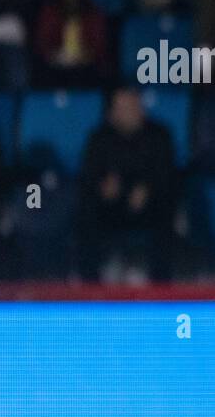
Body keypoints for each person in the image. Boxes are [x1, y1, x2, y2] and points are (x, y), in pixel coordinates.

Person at [76, 86, 177, 281]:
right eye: (124, 108)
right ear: (112, 113)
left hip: (149, 206)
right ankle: (90, 289)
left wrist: (148, 189)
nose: (132, 111)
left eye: (134, 105)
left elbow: (168, 175)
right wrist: (103, 189)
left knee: (165, 215)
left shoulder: (159, 135)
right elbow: (89, 177)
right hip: (110, 207)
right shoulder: (99, 139)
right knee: (86, 216)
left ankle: (160, 290)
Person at [33, 0, 110, 89]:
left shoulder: (93, 11)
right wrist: (56, 56)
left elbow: (99, 45)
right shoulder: (49, 11)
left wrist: (84, 56)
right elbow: (42, 43)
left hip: (87, 67)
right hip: (56, 67)